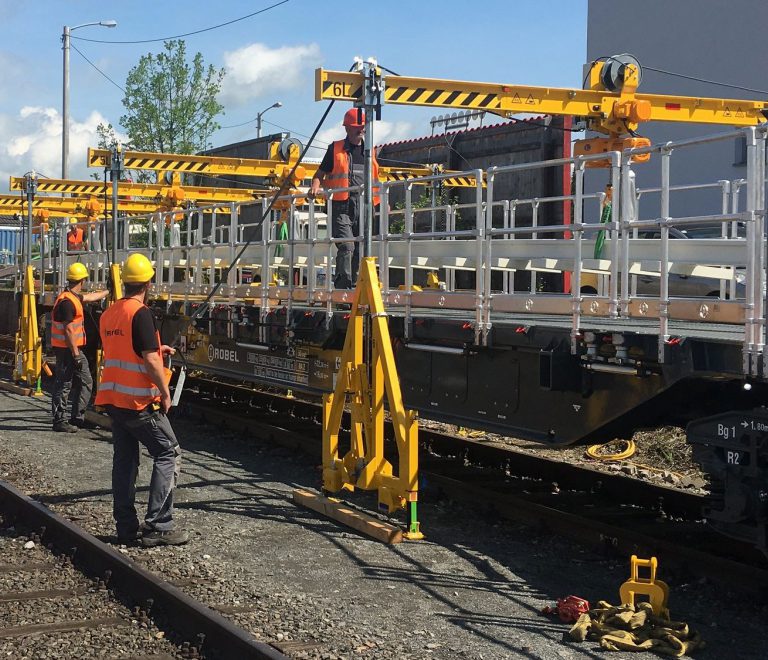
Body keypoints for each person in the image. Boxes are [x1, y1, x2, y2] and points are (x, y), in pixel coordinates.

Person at [95, 252, 189, 547]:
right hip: (139, 402)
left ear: (124, 282)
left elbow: (125, 348)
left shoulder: (110, 312)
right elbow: (147, 360)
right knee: (168, 452)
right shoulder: (142, 313)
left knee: (124, 461)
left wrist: (156, 347)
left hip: (114, 398)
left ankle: (126, 526)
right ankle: (159, 526)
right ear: (149, 282)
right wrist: (164, 392)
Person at [309, 108, 381, 289]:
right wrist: (315, 186)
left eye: (362, 127)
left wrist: (381, 203)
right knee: (347, 245)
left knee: (363, 247)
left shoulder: (370, 152)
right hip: (341, 206)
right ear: (347, 128)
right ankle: (342, 288)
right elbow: (319, 174)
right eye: (357, 127)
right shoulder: (335, 149)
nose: (361, 130)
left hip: (364, 206)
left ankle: (358, 288)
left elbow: (375, 181)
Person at [51, 262, 109, 433]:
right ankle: (59, 420)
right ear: (82, 280)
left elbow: (90, 297)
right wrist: (76, 354)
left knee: (86, 381)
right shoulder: (67, 302)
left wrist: (108, 292)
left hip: (73, 349)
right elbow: (68, 329)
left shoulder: (73, 297)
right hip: (67, 349)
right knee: (64, 383)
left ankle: (78, 417)